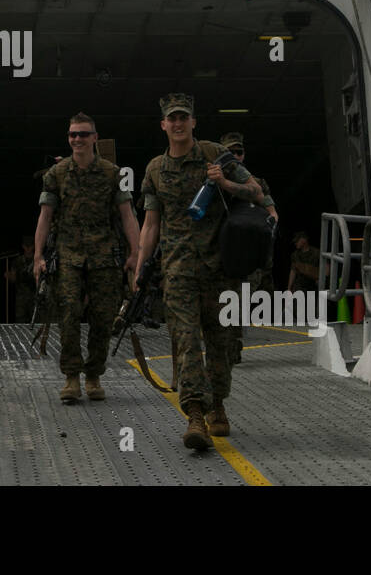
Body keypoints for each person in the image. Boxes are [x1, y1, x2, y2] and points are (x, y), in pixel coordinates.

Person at [137, 95, 263, 450]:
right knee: (187, 342)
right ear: (163, 125)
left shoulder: (215, 155)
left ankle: (217, 404)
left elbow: (254, 192)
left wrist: (225, 183)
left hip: (219, 267)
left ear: (194, 122)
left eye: (183, 117)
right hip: (176, 270)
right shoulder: (154, 169)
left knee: (220, 345)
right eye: (171, 118)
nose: (177, 123)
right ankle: (195, 415)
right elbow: (151, 222)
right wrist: (140, 264)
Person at [34, 113, 140, 404]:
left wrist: (136, 253)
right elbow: (45, 217)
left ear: (95, 137)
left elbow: (127, 215)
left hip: (104, 256)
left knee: (103, 319)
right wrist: (37, 256)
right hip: (68, 255)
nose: (77, 139)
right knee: (67, 315)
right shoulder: (55, 175)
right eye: (72, 135)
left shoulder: (112, 173)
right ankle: (71, 377)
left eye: (83, 134)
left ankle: (93, 375)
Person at [221, 132, 278, 364]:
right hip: (222, 250)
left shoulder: (257, 184)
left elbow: (270, 211)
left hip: (248, 253)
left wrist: (272, 218)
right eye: (230, 153)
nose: (235, 156)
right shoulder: (213, 182)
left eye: (239, 152)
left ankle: (232, 346)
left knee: (240, 301)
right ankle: (224, 343)